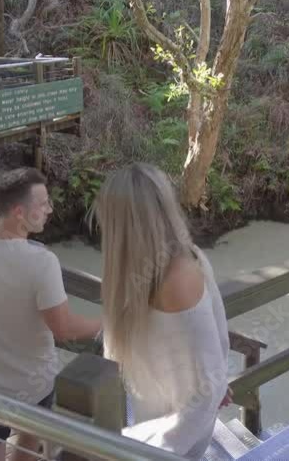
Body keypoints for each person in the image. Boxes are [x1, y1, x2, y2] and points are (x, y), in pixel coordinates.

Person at [0, 167, 102, 461]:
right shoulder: (42, 262)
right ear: (20, 213)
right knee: (28, 446)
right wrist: (106, 323)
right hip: (34, 385)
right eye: (44, 204)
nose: (50, 210)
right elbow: (64, 328)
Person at [91, 163, 231, 460]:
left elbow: (210, 386)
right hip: (154, 421)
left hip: (173, 442)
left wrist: (145, 447)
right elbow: (216, 342)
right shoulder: (150, 271)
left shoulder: (180, 277)